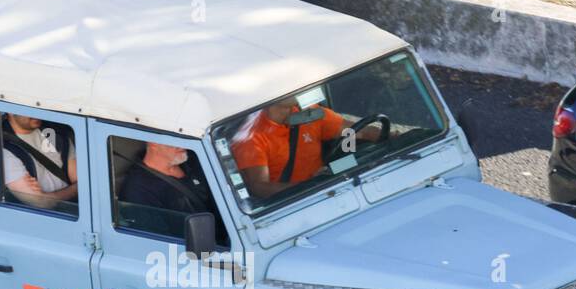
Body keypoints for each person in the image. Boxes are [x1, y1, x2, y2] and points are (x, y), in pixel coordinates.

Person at [231, 95, 381, 199]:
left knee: (361, 157)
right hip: (295, 200)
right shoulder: (251, 138)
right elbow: (260, 188)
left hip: (330, 178)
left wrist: (395, 137)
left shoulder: (310, 114)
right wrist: (310, 186)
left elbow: (359, 131)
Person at [0, 113, 78, 210]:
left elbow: (82, 183)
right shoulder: (2, 150)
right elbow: (41, 202)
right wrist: (74, 189)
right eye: (28, 107)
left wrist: (52, 197)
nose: (36, 111)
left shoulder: (55, 134)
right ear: (11, 112)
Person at [119, 142, 213, 215]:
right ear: (153, 142)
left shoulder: (192, 158)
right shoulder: (138, 189)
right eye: (173, 138)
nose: (183, 143)